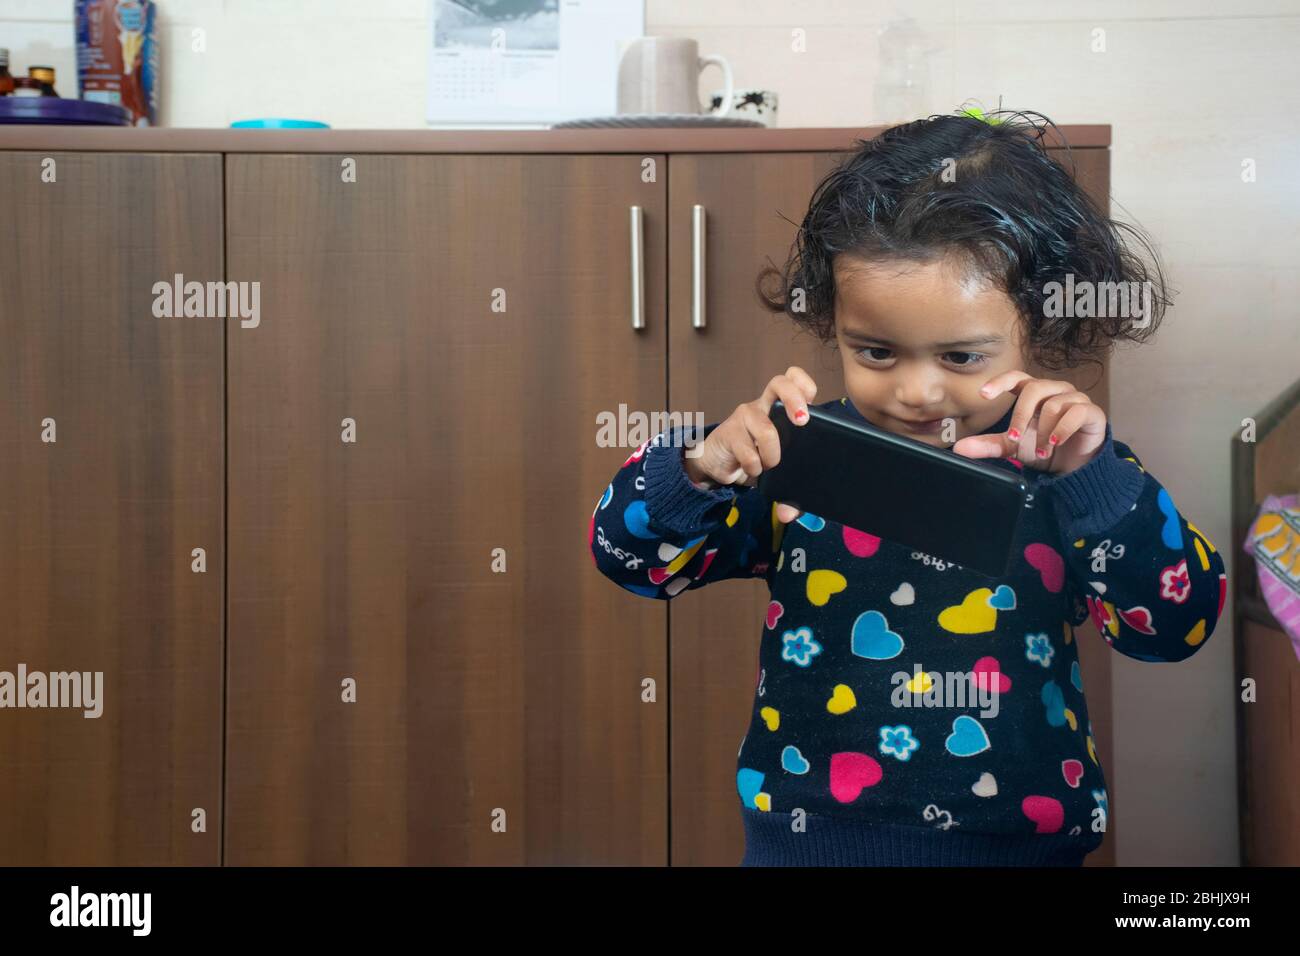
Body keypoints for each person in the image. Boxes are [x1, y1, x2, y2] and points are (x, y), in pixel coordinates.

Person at [588, 109, 1227, 866]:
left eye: (961, 356)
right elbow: (630, 560)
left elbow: (1174, 627)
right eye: (877, 351)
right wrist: (700, 467)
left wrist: (1097, 483)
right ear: (833, 324)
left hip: (1018, 847)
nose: (918, 392)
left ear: (1038, 331)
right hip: (807, 839)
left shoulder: (1071, 472)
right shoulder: (799, 457)